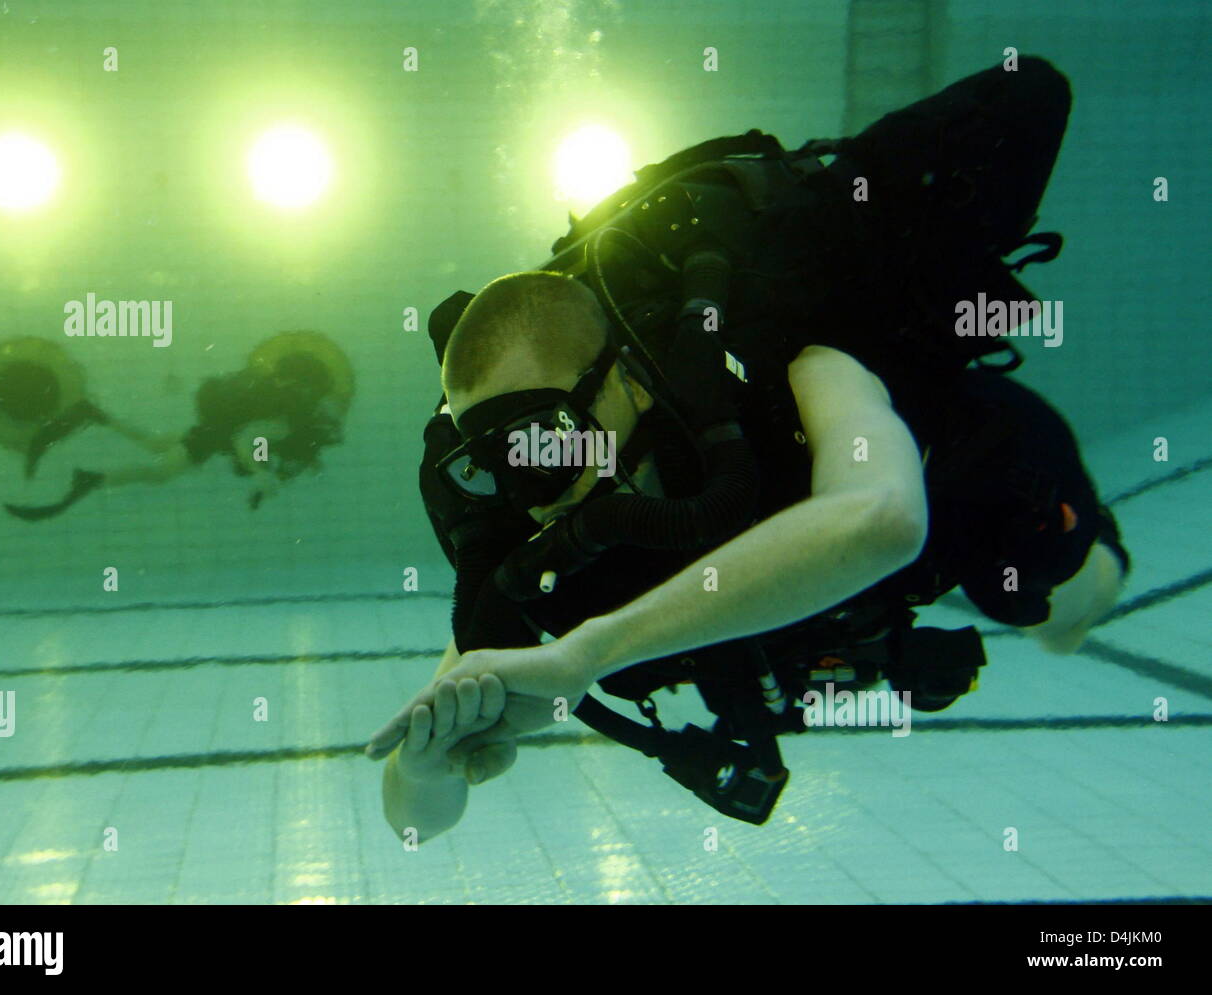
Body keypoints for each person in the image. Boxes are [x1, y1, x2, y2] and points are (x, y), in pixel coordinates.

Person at [367, 56, 1131, 839]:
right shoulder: (523, 527)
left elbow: (884, 517)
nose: (537, 489)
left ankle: (1100, 548)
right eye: (494, 464)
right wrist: (425, 763)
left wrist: (587, 653)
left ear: (626, 379)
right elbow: (412, 822)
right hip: (793, 637)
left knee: (1060, 607)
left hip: (955, 473)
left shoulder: (780, 361)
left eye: (547, 441)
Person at [4, 334, 351, 520]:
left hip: (217, 431)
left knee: (155, 445)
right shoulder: (288, 418)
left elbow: (249, 437)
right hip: (217, 435)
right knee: (159, 473)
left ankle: (97, 416)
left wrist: (260, 470)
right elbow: (247, 440)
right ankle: (91, 480)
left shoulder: (287, 406)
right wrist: (259, 473)